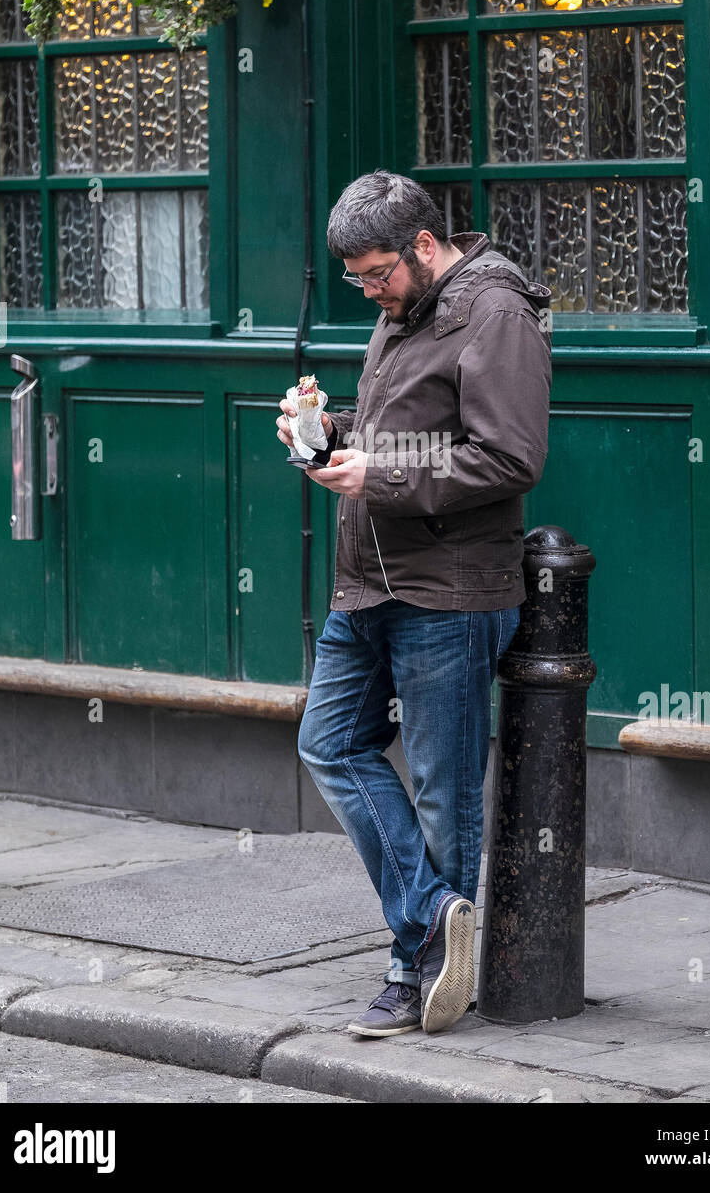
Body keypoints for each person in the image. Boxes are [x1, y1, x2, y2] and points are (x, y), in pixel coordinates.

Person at [276, 170, 551, 1038]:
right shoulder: (403, 311)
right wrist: (329, 433)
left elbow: (510, 460)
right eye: (355, 278)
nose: (368, 291)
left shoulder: (496, 314)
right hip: (370, 581)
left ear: (424, 246)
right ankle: (432, 914)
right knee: (328, 744)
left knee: (441, 792)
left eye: (376, 273)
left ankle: (416, 972)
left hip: (450, 593)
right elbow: (410, 432)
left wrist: (380, 475)